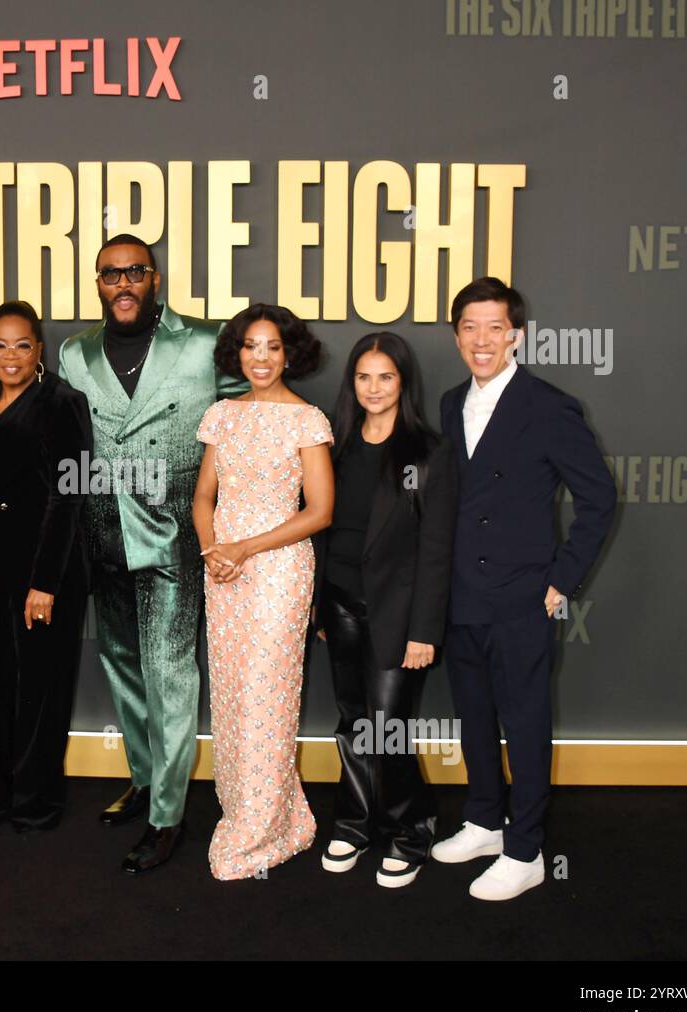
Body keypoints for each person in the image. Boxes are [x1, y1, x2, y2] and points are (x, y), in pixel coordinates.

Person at [58, 233, 248, 874]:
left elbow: (247, 417)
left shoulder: (202, 341)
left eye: (135, 271)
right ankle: (143, 778)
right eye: (110, 274)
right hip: (100, 535)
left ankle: (168, 816)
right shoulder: (74, 353)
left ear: (155, 278)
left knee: (169, 677)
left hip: (173, 536)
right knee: (122, 666)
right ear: (99, 284)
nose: (123, 283)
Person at [432, 277, 615, 900]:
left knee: (527, 722)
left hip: (522, 597)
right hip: (461, 596)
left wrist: (562, 578)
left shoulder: (549, 405)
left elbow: (598, 497)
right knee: (474, 718)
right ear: (456, 336)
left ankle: (527, 849)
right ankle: (484, 820)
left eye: (494, 328)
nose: (482, 340)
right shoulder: (450, 401)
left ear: (515, 334)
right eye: (469, 328)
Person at [312, 333, 457, 889]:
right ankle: (352, 824)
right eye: (364, 377)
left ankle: (410, 831)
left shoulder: (429, 452)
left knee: (389, 727)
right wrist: (323, 608)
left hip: (398, 614)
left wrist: (425, 630)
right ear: (353, 383)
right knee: (352, 723)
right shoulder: (336, 445)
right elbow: (325, 527)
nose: (374, 388)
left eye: (386, 377)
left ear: (403, 383)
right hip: (341, 604)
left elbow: (438, 549)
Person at [193, 305, 333, 880]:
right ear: (237, 353)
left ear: (289, 353)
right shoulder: (221, 415)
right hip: (221, 570)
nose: (260, 357)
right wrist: (211, 549)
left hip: (278, 571)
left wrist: (243, 548)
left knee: (265, 697)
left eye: (272, 347)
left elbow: (321, 512)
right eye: (251, 346)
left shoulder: (307, 420)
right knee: (229, 696)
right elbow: (204, 497)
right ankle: (253, 811)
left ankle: (261, 831)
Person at [0, 301, 93, 832]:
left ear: (39, 349)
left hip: (41, 569)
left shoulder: (64, 402)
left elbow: (70, 496)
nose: (10, 356)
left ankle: (35, 803)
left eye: (21, 345)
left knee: (39, 687)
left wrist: (45, 582)